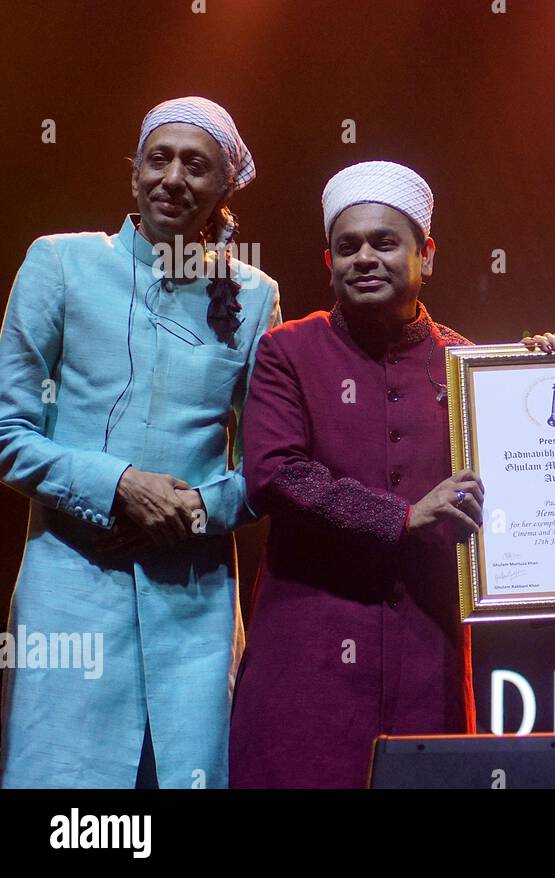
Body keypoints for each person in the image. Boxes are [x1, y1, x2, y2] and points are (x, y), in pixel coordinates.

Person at [0, 97, 280, 788]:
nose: (173, 179)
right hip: (72, 587)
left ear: (224, 188)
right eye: (159, 159)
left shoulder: (255, 295)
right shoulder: (60, 264)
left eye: (197, 165)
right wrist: (119, 486)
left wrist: (187, 513)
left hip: (192, 597)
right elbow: (8, 434)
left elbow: (271, 465)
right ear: (134, 175)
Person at [228, 161, 486, 788]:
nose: (365, 258)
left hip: (428, 657)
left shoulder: (470, 366)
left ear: (427, 253)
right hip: (305, 654)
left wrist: (542, 371)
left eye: (385, 242)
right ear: (329, 261)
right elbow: (273, 474)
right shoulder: (288, 349)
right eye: (348, 247)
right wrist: (401, 517)